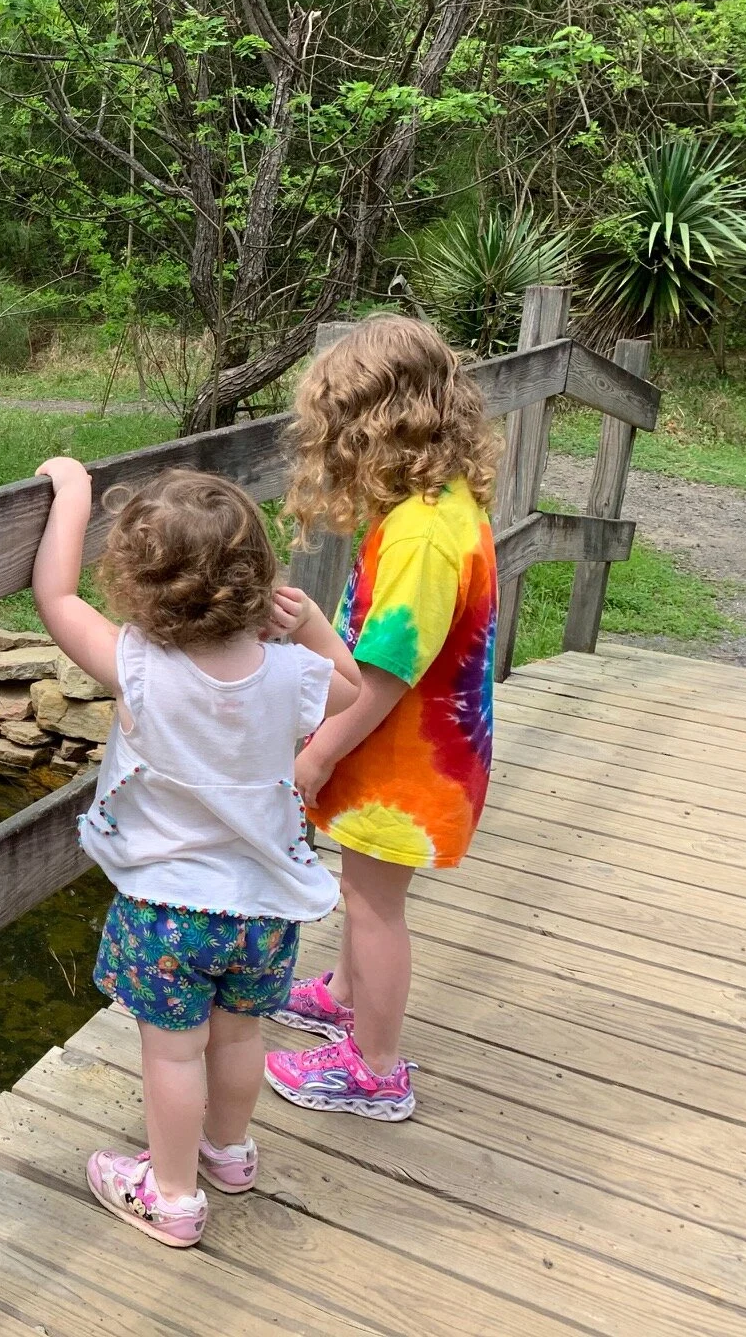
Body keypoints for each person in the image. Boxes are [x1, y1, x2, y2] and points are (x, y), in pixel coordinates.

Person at [32, 460, 361, 1248]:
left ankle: (171, 1195)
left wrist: (72, 494)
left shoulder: (137, 667)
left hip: (168, 907)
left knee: (174, 1056)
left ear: (139, 581)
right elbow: (349, 687)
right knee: (241, 1034)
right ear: (259, 580)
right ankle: (229, 1152)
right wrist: (311, 622)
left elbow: (54, 598)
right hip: (264, 906)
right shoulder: (288, 672)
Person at [263, 313, 501, 1122]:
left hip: (403, 764)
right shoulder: (437, 508)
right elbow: (380, 655)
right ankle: (341, 996)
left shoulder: (422, 536)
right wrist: (312, 628)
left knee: (373, 905)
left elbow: (386, 681)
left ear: (376, 427)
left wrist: (317, 755)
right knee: (363, 890)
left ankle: (375, 1067)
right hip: (404, 748)